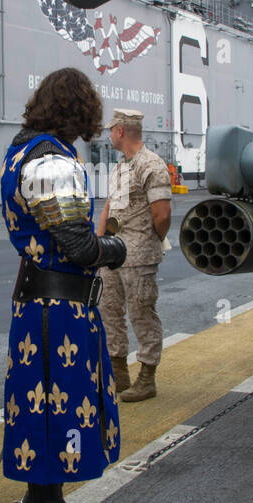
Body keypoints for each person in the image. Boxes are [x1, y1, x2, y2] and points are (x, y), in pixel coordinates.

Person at [1, 67, 126, 503]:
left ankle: (41, 499)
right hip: (57, 308)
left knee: (45, 404)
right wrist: (115, 248)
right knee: (57, 406)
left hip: (40, 303)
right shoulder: (52, 160)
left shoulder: (21, 152)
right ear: (79, 110)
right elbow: (79, 247)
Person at [96, 108, 173, 403]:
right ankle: (118, 373)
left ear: (120, 131)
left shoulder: (151, 165)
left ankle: (147, 377)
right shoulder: (120, 166)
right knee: (110, 311)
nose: (109, 135)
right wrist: (99, 243)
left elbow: (162, 215)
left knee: (142, 313)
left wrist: (147, 242)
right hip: (112, 254)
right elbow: (110, 206)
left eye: (110, 130)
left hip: (139, 256)